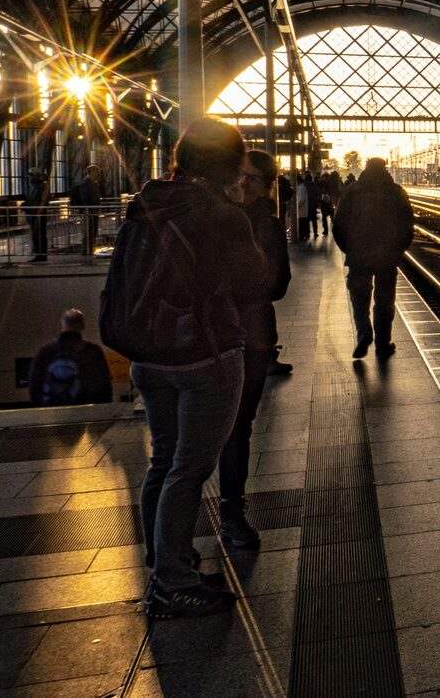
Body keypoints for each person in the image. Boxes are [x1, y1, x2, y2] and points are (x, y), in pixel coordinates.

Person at [102, 117, 265, 619]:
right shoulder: (220, 213)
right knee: (188, 471)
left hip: (148, 354)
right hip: (204, 355)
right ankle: (173, 583)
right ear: (228, 162)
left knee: (163, 462)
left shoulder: (149, 199)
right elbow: (256, 280)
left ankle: (165, 562)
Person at [215, 149, 290, 549]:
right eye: (239, 176)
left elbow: (277, 283)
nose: (244, 185)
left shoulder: (267, 224)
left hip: (252, 338)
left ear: (267, 186)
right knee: (189, 439)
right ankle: (171, 545)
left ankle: (231, 511)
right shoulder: (212, 217)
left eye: (253, 179)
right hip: (216, 337)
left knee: (238, 428)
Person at [333, 157, 413, 360]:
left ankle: (363, 332)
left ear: (366, 169)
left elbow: (338, 225)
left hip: (359, 255)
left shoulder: (352, 192)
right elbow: (407, 225)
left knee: (359, 298)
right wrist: (398, 249)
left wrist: (350, 249)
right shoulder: (396, 192)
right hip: (387, 256)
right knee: (385, 300)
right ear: (385, 168)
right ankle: (383, 343)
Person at [26, 308, 112, 405]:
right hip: (86, 413)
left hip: (52, 412)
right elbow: (104, 386)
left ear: (62, 324)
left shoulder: (45, 352)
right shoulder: (92, 352)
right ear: (82, 325)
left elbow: (35, 386)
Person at [69, 164, 106, 255]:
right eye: (97, 172)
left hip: (92, 210)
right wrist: (89, 208)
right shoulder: (86, 183)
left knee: (92, 230)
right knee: (89, 231)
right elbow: (85, 197)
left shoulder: (93, 182)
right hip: (89, 211)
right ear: (92, 172)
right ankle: (87, 251)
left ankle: (90, 249)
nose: (98, 174)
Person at [23, 167, 49, 263]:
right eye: (30, 175)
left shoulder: (43, 186)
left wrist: (36, 209)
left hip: (39, 214)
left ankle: (41, 255)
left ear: (37, 176)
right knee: (35, 235)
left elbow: (43, 201)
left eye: (32, 176)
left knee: (40, 235)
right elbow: (29, 199)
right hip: (32, 214)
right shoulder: (30, 185)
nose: (30, 177)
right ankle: (38, 254)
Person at [292, 171, 311, 243]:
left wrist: (296, 205)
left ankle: (302, 235)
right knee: (303, 223)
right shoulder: (302, 187)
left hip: (301, 210)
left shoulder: (300, 188)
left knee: (301, 223)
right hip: (303, 210)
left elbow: (301, 199)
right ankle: (304, 235)